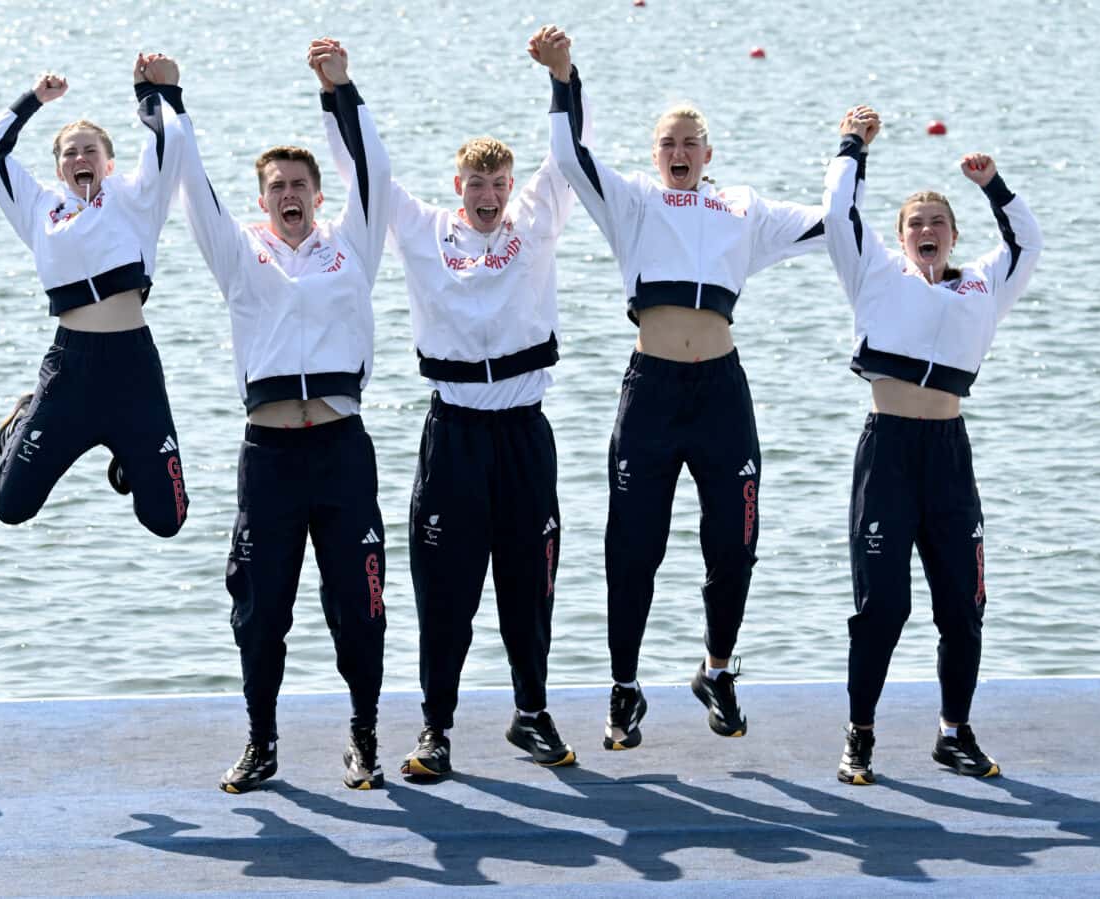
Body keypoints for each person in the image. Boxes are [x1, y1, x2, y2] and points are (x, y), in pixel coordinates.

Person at [545, 35, 826, 751]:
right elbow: (571, 158)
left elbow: (833, 226)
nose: (679, 151)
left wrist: (851, 154)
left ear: (709, 154)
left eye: (690, 142)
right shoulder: (633, 204)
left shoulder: (741, 210)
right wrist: (564, 79)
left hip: (722, 393)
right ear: (654, 153)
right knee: (633, 548)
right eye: (668, 142)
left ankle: (718, 668)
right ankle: (623, 686)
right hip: (653, 391)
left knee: (734, 543)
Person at [331, 26, 584, 779]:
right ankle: (436, 726)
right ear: (457, 189)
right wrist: (340, 90)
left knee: (528, 582)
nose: (488, 197)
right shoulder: (422, 230)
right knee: (446, 590)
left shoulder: (536, 220)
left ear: (511, 189)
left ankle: (530, 711)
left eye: (499, 185)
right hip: (455, 434)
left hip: (524, 433)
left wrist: (563, 76)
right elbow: (366, 170)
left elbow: (567, 158)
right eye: (476, 186)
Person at [178, 41, 392, 792]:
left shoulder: (353, 248)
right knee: (259, 609)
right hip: (268, 457)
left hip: (340, 450)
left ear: (318, 195)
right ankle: (261, 740)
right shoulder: (241, 256)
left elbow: (375, 170)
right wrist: (167, 103)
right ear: (262, 199)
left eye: (301, 184)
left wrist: (340, 91)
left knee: (359, 607)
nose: (291, 194)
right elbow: (194, 190)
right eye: (278, 186)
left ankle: (364, 735)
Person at [824, 106, 1042, 785]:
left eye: (937, 223)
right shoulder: (875, 273)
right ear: (899, 237)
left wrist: (994, 184)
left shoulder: (983, 284)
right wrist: (853, 145)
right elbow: (837, 214)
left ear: (953, 236)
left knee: (963, 607)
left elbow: (1028, 243)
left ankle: (954, 731)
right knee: (883, 607)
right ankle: (859, 734)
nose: (926, 231)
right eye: (915, 223)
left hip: (949, 453)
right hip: (888, 451)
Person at [0, 54, 190, 537]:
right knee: (10, 506)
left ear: (108, 163)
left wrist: (149, 92)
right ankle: (27, 417)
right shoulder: (40, 210)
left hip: (133, 365)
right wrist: (34, 100)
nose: (80, 160)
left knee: (167, 518)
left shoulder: (135, 198)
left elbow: (169, 139)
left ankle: (130, 456)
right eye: (69, 153)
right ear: (58, 170)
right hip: (71, 366)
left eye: (89, 151)